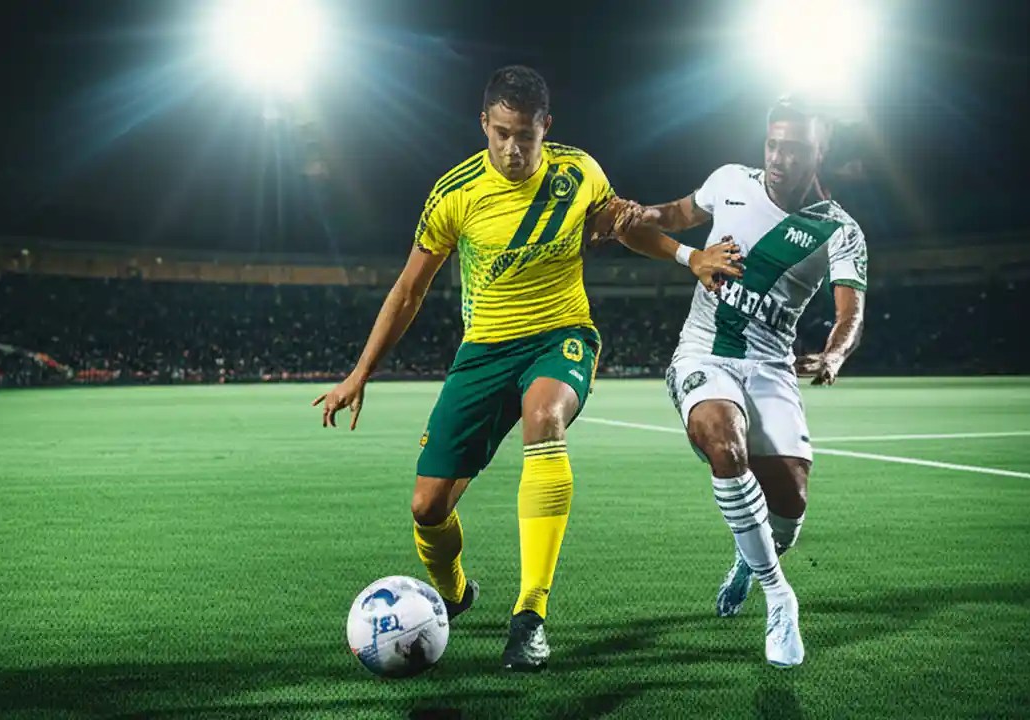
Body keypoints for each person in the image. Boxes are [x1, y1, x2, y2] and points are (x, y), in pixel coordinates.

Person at [314, 65, 740, 671]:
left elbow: (625, 226)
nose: (513, 149)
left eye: (526, 135)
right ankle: (457, 592)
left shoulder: (579, 170)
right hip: (483, 352)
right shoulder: (453, 194)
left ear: (546, 127)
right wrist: (361, 372)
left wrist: (690, 255)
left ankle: (530, 616)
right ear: (484, 123)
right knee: (427, 508)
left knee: (545, 417)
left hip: (561, 336)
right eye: (502, 134)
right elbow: (410, 289)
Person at [614, 95, 868, 667]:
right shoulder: (730, 180)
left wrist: (832, 356)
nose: (779, 157)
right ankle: (781, 600)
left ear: (820, 151)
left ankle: (749, 562)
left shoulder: (840, 231)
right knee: (724, 445)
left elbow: (850, 313)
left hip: (772, 366)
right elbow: (678, 213)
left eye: (795, 148)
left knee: (790, 503)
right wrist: (641, 215)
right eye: (773, 143)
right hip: (704, 353)